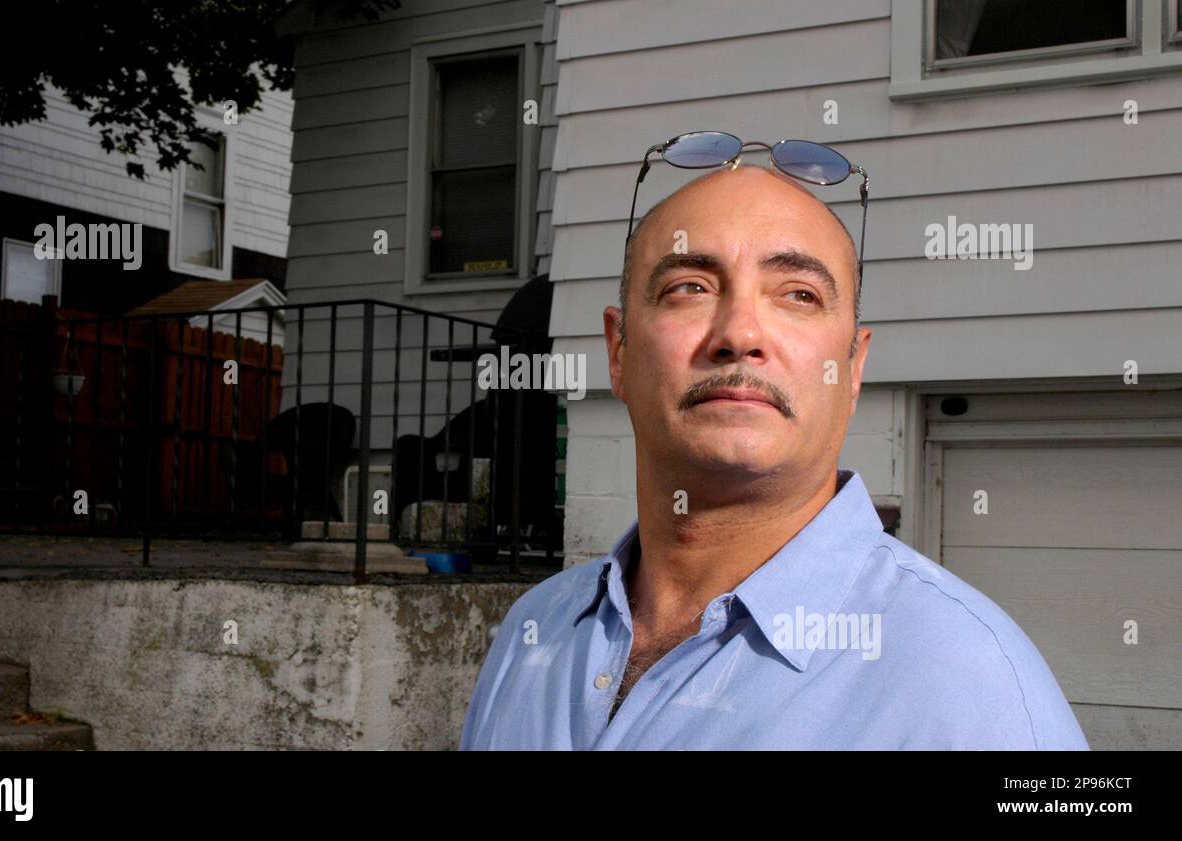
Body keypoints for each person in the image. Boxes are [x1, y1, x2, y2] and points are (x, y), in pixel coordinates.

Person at [460, 163, 1088, 750]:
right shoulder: (533, 630)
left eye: (798, 295)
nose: (740, 334)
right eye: (690, 287)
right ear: (618, 352)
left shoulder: (968, 681)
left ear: (852, 368)